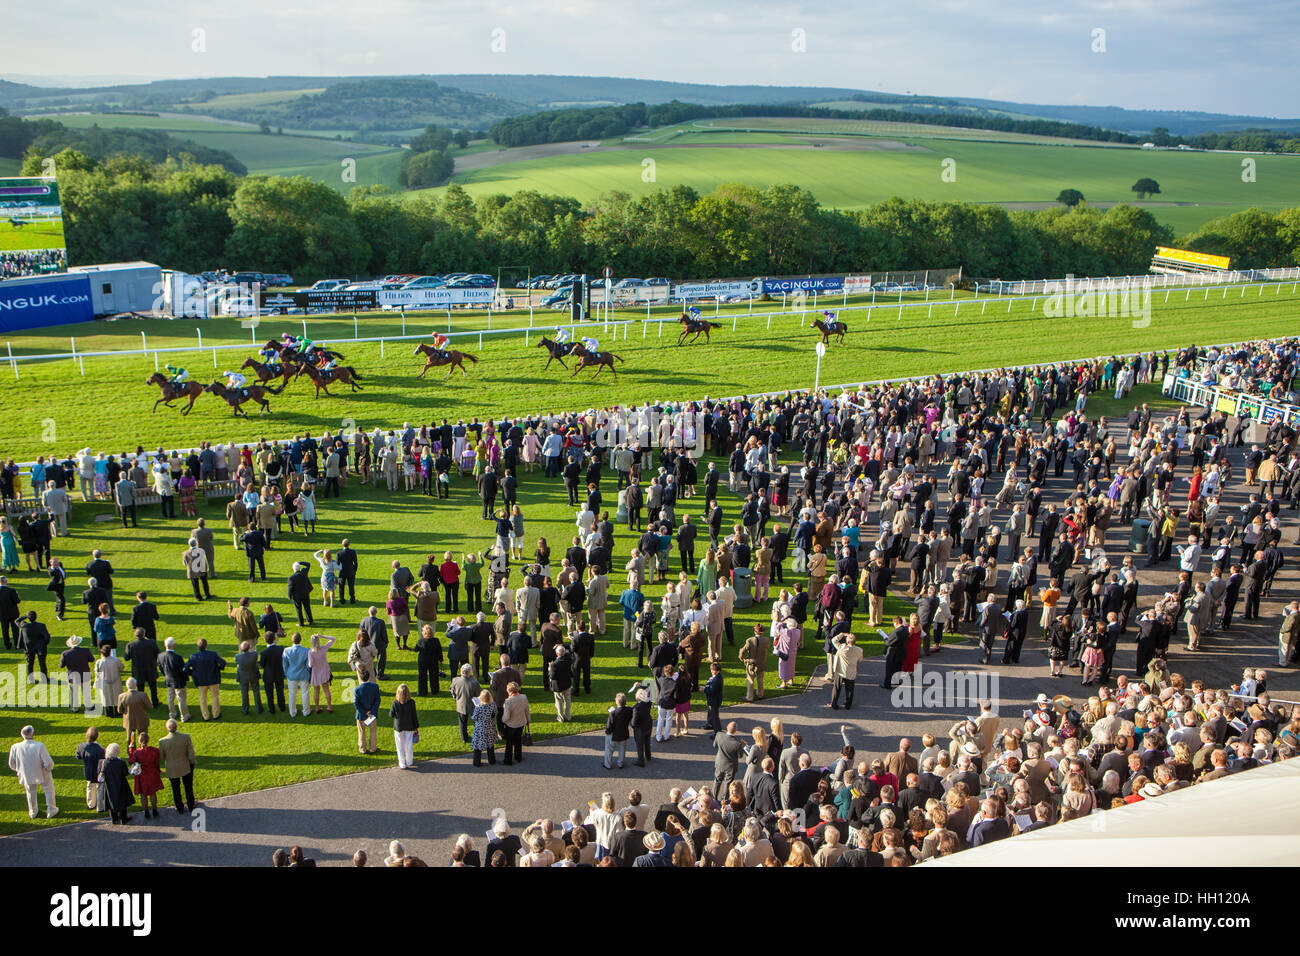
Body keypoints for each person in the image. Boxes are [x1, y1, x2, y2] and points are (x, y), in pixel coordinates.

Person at [8, 725, 57, 819]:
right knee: (49, 789)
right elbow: (49, 763)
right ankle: (51, 810)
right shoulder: (39, 746)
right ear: (33, 734)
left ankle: (33, 811)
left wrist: (20, 770)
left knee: (30, 792)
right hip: (42, 771)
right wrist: (48, 769)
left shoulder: (15, 747)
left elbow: (12, 764)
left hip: (26, 773)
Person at [157, 718, 197, 816]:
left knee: (176, 789)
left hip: (172, 768)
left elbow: (161, 756)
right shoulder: (185, 737)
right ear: (177, 726)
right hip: (185, 766)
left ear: (167, 728)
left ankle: (179, 808)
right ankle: (191, 805)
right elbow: (191, 752)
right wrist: (192, 762)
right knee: (188, 786)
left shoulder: (162, 741)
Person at [186, 637, 226, 721]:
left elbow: (185, 668)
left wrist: (193, 673)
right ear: (206, 645)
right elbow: (223, 662)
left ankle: (205, 716)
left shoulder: (193, 656)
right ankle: (216, 714)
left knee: (202, 699)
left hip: (201, 681)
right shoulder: (213, 654)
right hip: (213, 679)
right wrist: (218, 669)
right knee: (215, 697)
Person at [127, 731, 163, 819]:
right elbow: (157, 763)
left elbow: (131, 761)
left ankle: (146, 812)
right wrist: (158, 771)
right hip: (152, 774)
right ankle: (154, 810)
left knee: (143, 795)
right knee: (153, 793)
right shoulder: (154, 751)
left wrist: (131, 750)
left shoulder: (136, 753)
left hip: (141, 776)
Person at [100, 742, 134, 824]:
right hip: (121, 784)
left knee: (111, 801)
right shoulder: (120, 763)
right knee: (122, 801)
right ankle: (123, 818)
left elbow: (103, 772)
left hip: (109, 785)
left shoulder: (105, 763)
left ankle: (114, 819)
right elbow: (125, 773)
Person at [390, 683, 419, 770]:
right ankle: (409, 761)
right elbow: (414, 715)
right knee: (408, 744)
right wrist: (416, 726)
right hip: (409, 726)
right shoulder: (411, 702)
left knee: (400, 746)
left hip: (399, 727)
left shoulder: (395, 703)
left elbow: (391, 714)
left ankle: (402, 763)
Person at [501, 681, 531, 766]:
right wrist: (528, 721)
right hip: (521, 722)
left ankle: (508, 760)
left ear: (509, 690)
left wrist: (502, 720)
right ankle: (518, 757)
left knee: (509, 743)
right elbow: (527, 711)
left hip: (511, 725)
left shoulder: (508, 701)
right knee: (518, 741)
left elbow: (506, 716)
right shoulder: (523, 697)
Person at [354, 667, 381, 755]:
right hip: (372, 715)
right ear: (369, 676)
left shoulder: (357, 690)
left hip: (361, 715)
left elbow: (356, 704)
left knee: (362, 732)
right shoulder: (375, 687)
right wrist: (372, 711)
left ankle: (362, 749)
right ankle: (373, 748)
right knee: (373, 731)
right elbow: (378, 700)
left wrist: (365, 712)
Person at [309, 633, 336, 715]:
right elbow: (333, 638)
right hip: (324, 672)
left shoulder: (310, 652)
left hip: (316, 673)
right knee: (326, 690)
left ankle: (317, 707)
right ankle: (329, 707)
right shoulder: (323, 649)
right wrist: (323, 636)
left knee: (316, 691)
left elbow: (310, 664)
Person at [471, 689, 498, 766]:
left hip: (480, 728)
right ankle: (492, 760)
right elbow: (495, 713)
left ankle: (476, 762)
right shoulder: (493, 704)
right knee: (490, 744)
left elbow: (474, 718)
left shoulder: (478, 707)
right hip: (490, 726)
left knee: (477, 745)